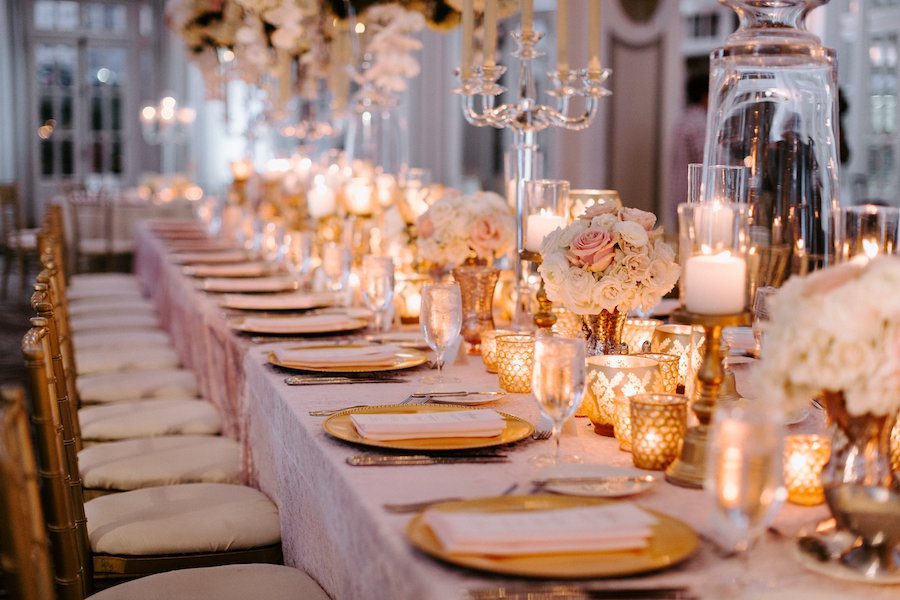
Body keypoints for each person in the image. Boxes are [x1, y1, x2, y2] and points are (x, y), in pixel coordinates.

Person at [666, 72, 709, 231]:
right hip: (693, 197)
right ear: (706, 96)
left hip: (678, 194)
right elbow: (706, 160)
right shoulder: (698, 123)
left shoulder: (685, 119)